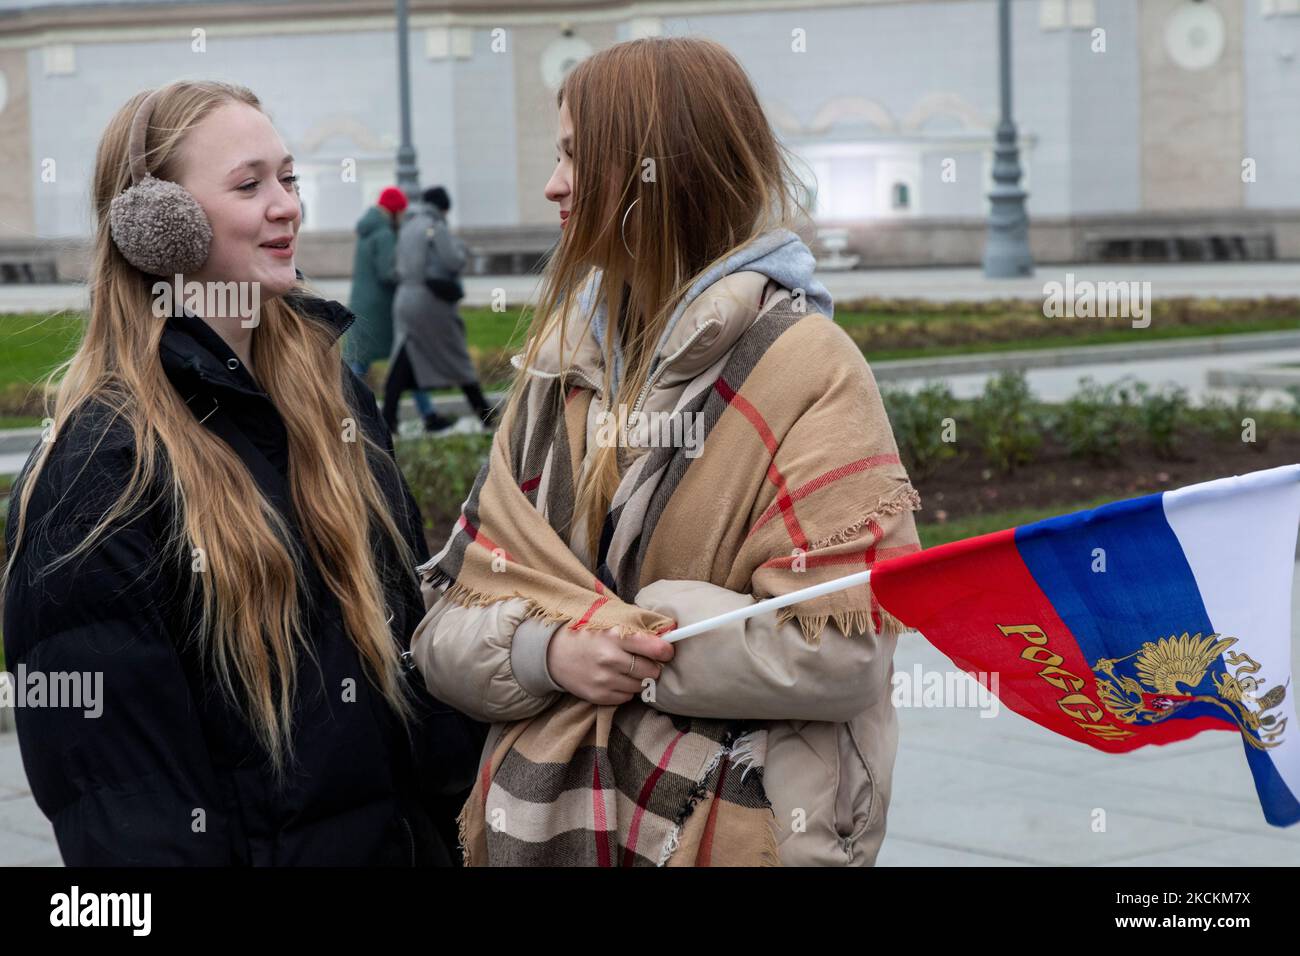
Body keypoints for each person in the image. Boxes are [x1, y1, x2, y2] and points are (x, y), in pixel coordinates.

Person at [409, 37, 922, 867]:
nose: (553, 185)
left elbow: (843, 653)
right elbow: (443, 630)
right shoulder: (557, 366)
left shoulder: (808, 366)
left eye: (577, 156)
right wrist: (553, 651)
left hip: (741, 837)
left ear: (653, 169)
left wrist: (637, 642)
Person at [1, 80, 483, 866]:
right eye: (250, 184)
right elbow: (128, 812)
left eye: (289, 178)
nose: (288, 205)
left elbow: (406, 676)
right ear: (155, 226)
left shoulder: (334, 398)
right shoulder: (100, 473)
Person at [384, 187, 496, 435]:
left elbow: (395, 265)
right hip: (430, 302)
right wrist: (461, 250)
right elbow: (452, 261)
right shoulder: (436, 226)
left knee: (406, 355)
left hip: (404, 298)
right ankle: (486, 414)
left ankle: (387, 419)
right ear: (444, 207)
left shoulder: (408, 226)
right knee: (455, 354)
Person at [344, 186, 437, 420]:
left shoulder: (368, 230)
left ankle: (345, 409)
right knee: (407, 358)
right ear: (394, 211)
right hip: (382, 310)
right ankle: (427, 414)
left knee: (360, 361)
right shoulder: (384, 234)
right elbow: (388, 272)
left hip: (364, 306)